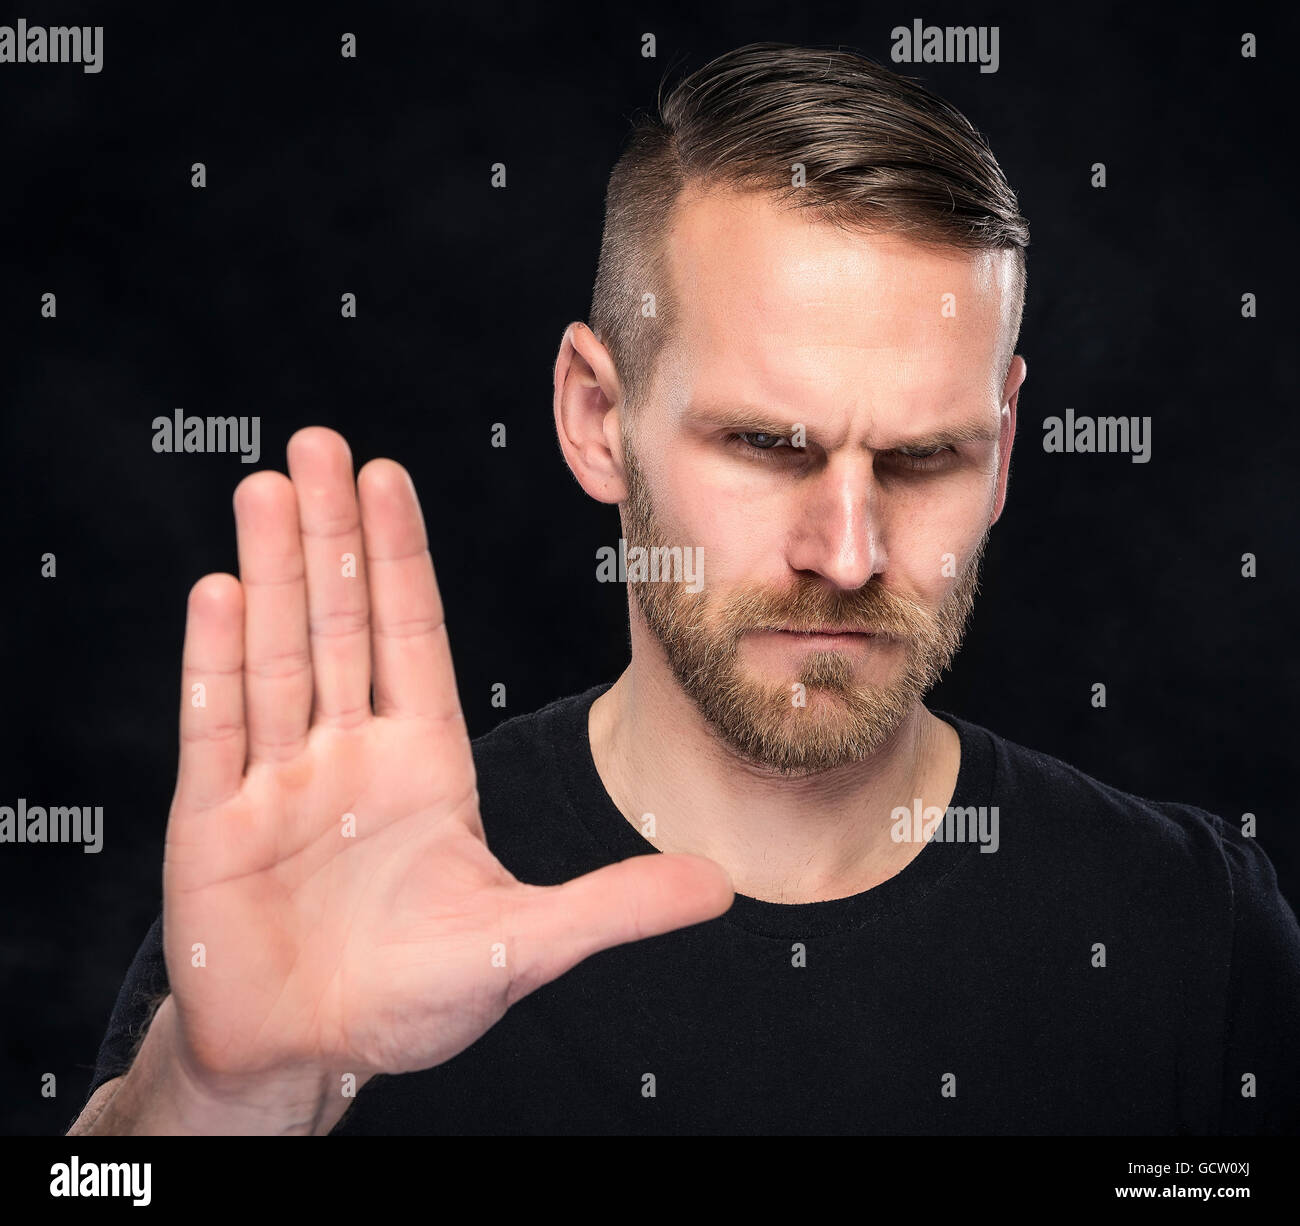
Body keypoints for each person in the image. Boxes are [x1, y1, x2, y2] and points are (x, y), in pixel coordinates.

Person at [69, 41, 1300, 1136]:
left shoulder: (1188, 928)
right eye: (768, 446)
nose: (849, 551)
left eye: (926, 456)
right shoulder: (340, 891)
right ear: (595, 416)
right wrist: (223, 1103)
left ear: (1006, 443)